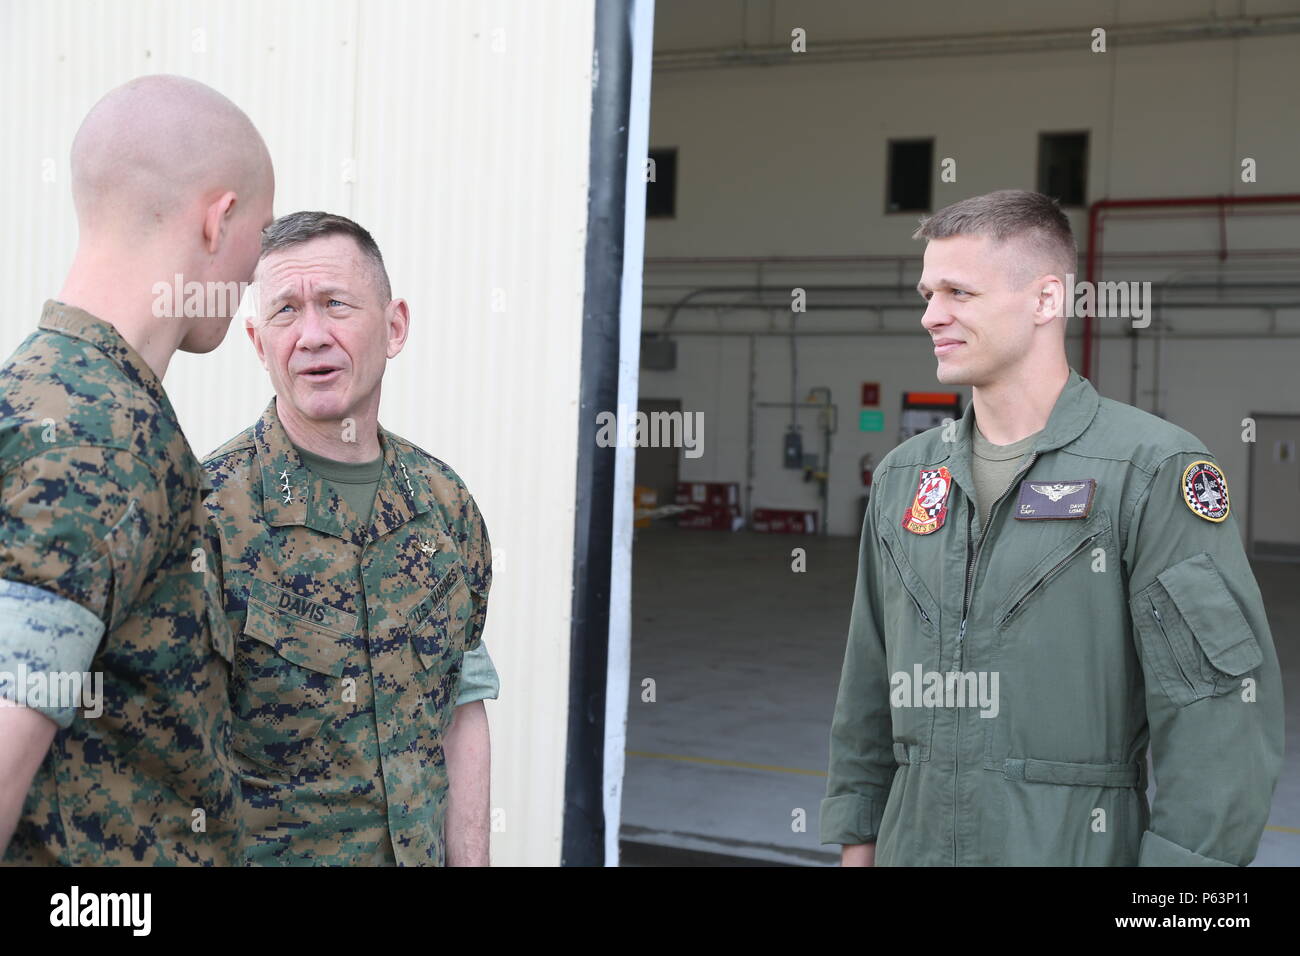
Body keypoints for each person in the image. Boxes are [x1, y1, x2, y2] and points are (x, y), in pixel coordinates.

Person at [821, 189, 1284, 866]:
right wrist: (858, 837)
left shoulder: (1151, 469)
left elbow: (1216, 715)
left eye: (958, 292)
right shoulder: (905, 476)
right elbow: (866, 680)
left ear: (1044, 301)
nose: (930, 316)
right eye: (927, 292)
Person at [0, 75, 275, 863]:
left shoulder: (34, 391)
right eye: (254, 253)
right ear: (218, 221)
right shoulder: (103, 439)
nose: (247, 289)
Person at [204, 211, 495, 866]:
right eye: (285, 311)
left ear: (394, 327)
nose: (312, 336)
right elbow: (155, 758)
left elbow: (463, 703)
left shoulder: (445, 507)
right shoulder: (207, 518)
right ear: (257, 340)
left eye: (336, 305)